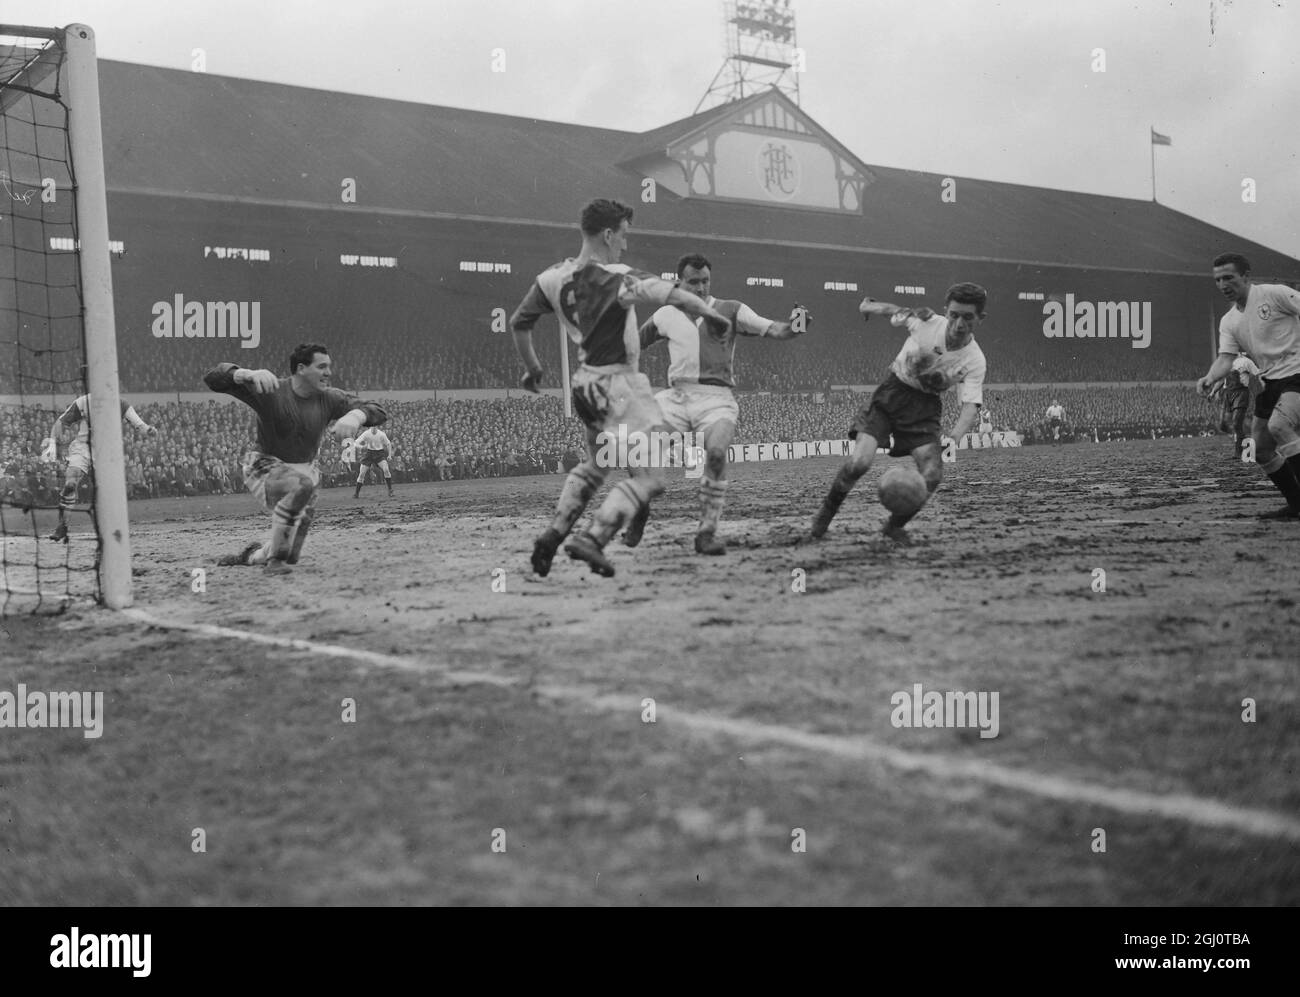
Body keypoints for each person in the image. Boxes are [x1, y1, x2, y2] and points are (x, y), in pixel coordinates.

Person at [510, 198, 731, 578]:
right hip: (620, 385)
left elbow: (519, 322)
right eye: (624, 235)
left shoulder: (552, 278)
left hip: (584, 385)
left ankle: (552, 536)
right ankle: (592, 539)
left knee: (597, 463)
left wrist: (533, 370)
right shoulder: (620, 278)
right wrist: (710, 312)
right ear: (609, 234)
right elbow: (673, 294)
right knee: (650, 477)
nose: (625, 244)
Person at [639, 252, 809, 554]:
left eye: (705, 281)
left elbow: (774, 329)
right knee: (644, 454)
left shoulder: (731, 310)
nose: (701, 288)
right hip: (676, 397)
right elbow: (633, 343)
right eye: (694, 282)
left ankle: (706, 532)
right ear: (680, 282)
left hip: (716, 399)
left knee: (716, 454)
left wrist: (796, 326)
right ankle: (640, 508)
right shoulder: (666, 314)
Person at [809, 283, 988, 544]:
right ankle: (822, 521)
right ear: (946, 312)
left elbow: (971, 404)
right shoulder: (925, 321)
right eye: (954, 314)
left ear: (980, 319)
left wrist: (954, 438)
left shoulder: (975, 360)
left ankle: (894, 526)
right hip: (892, 394)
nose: (959, 323)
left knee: (933, 474)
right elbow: (894, 311)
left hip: (924, 409)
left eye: (968, 317)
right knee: (859, 463)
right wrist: (867, 305)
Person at [206, 343, 387, 574]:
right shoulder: (271, 389)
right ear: (301, 368)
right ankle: (274, 564)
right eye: (322, 367)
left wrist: (356, 415)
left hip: (305, 472)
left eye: (329, 367)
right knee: (299, 489)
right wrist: (244, 374)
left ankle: (252, 556)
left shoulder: (330, 398)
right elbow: (212, 379)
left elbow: (378, 410)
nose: (329, 372)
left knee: (290, 552)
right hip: (264, 465)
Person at [1196, 252, 1300, 519]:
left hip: (1296, 373)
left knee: (1280, 426)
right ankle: (1296, 505)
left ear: (1246, 276)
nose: (1223, 285)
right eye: (1218, 279)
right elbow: (1226, 358)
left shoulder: (1274, 294)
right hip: (1269, 381)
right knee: (1260, 448)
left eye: (1229, 277)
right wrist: (1210, 377)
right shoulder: (1229, 321)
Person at [43, 394, 157, 542]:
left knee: (108, 492)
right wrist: (52, 442)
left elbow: (139, 425)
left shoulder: (120, 403)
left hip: (106, 451)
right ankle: (62, 526)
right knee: (70, 483)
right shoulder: (83, 401)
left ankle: (113, 527)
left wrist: (149, 430)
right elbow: (61, 422)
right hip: (83, 447)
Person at [353, 424, 395, 497]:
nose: (374, 428)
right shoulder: (366, 433)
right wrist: (362, 447)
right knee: (362, 473)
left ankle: (390, 490)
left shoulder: (381, 434)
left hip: (379, 454)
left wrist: (389, 455)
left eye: (375, 426)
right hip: (369, 453)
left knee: (386, 469)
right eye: (372, 426)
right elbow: (356, 443)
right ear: (370, 427)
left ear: (377, 427)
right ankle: (356, 493)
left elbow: (388, 443)